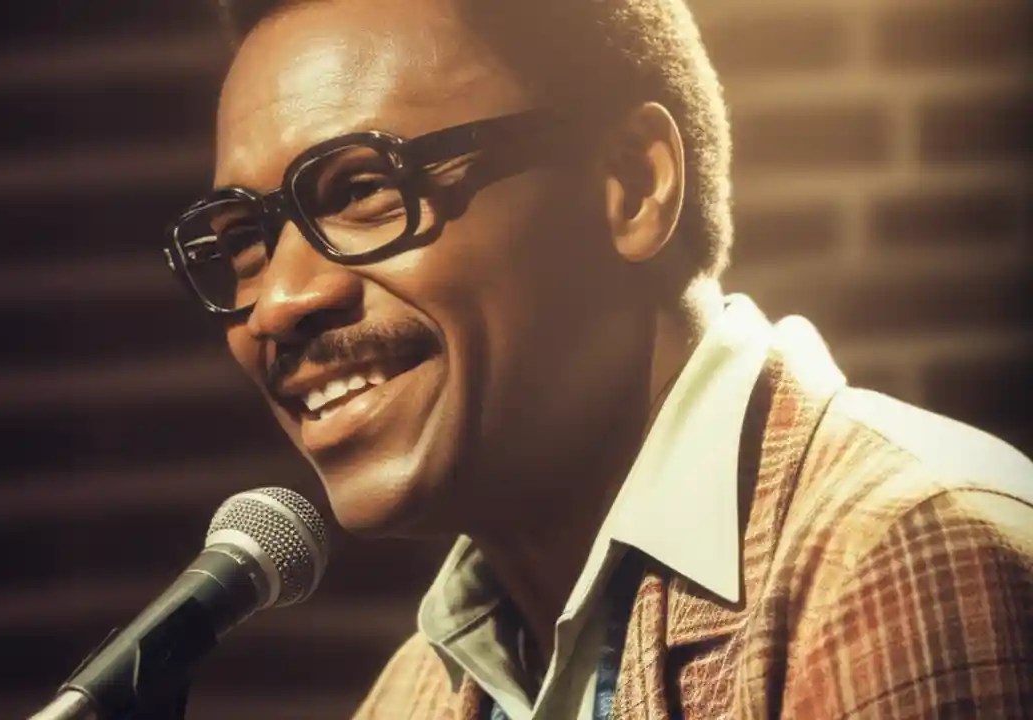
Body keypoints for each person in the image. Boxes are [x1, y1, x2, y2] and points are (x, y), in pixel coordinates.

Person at [163, 0, 1033, 716]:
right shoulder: (416, 698)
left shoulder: (904, 557)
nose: (278, 301)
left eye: (360, 190)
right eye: (241, 240)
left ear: (631, 185)